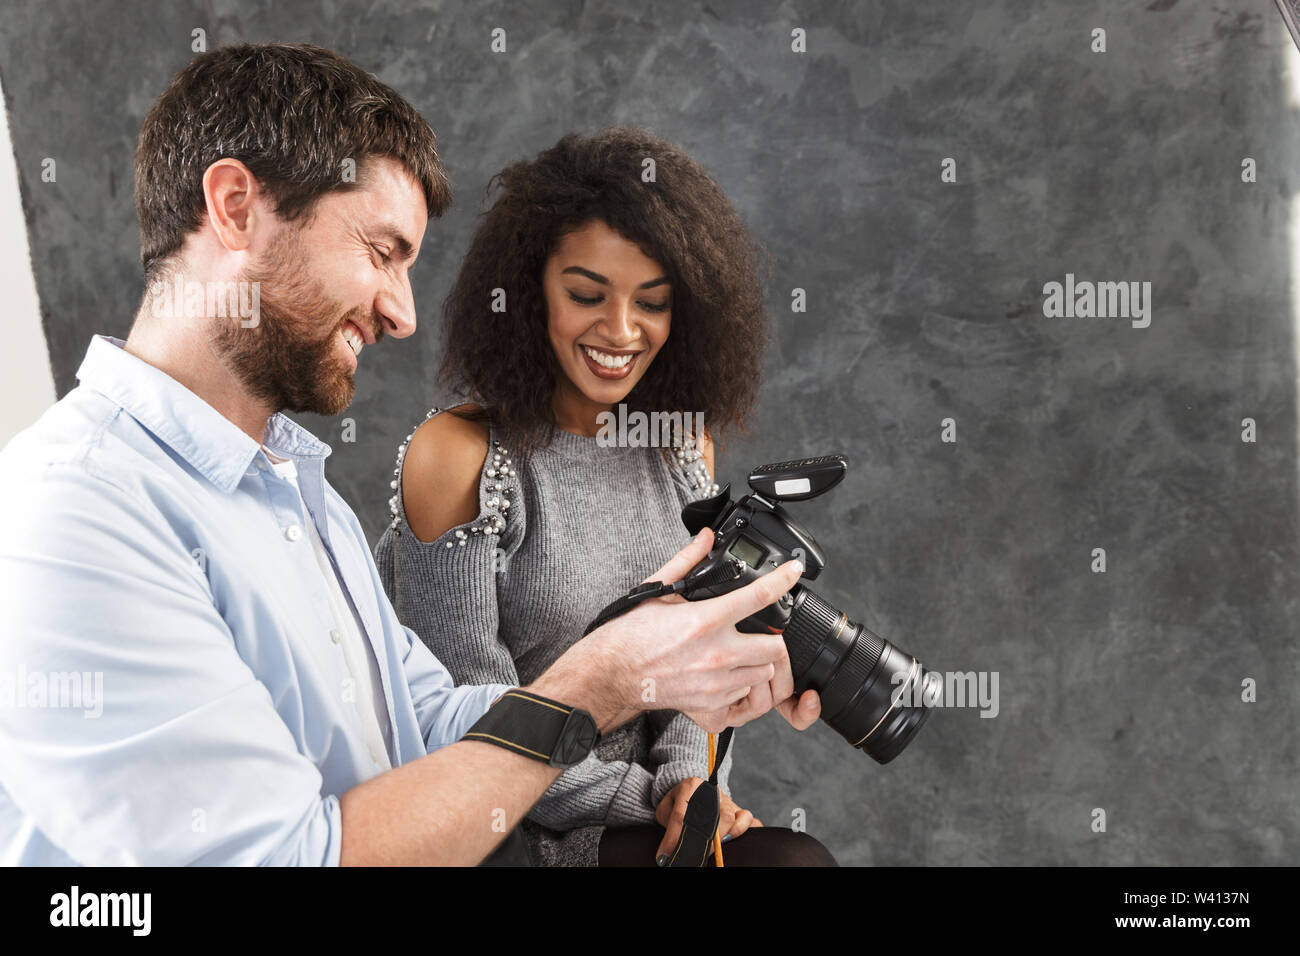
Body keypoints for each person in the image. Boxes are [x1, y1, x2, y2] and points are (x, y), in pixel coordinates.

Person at [0, 42, 819, 866]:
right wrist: (598, 682)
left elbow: (429, 725)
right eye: (380, 252)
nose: (402, 314)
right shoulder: (74, 511)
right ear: (236, 206)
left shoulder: (301, 500)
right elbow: (294, 860)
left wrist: (672, 675)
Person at [377, 128, 836, 866]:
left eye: (651, 304)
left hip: (652, 821)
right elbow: (472, 729)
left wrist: (690, 784)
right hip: (506, 831)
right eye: (586, 294)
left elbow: (697, 666)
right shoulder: (458, 460)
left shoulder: (683, 450)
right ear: (530, 294)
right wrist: (651, 801)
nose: (621, 331)